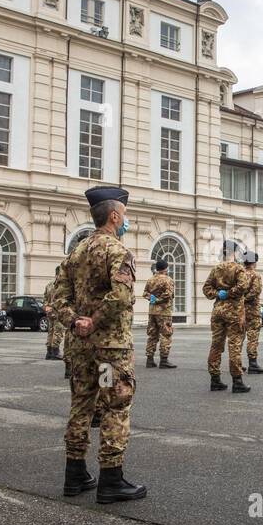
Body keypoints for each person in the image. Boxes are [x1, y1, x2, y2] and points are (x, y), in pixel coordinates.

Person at [48, 186, 146, 502]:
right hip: (110, 348)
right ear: (115, 216)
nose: (126, 221)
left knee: (81, 405)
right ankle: (111, 479)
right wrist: (95, 320)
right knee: (115, 405)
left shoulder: (75, 253)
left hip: (80, 347)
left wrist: (75, 321)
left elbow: (57, 297)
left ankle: (74, 474)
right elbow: (121, 296)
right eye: (125, 215)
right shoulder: (119, 252)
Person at [203, 241, 254, 393]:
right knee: (235, 345)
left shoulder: (216, 269)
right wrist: (231, 293)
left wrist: (218, 294)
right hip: (234, 312)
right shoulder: (238, 269)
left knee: (216, 345)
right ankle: (237, 381)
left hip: (218, 310)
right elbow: (243, 287)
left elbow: (206, 288)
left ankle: (215, 379)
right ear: (235, 252)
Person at [143, 259, 177, 369]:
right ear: (166, 268)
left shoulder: (150, 280)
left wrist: (152, 298)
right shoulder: (168, 280)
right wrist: (158, 300)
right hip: (164, 311)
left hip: (152, 311)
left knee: (152, 335)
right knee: (166, 335)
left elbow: (145, 293)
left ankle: (150, 360)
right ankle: (164, 360)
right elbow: (169, 294)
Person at [241, 250, 263, 374]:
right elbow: (256, 291)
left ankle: (237, 363)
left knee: (239, 337)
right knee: (252, 337)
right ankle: (253, 364)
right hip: (252, 311)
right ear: (254, 262)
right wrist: (245, 300)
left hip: (239, 311)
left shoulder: (239, 274)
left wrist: (240, 301)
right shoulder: (255, 275)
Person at [43, 266, 64, 361]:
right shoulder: (61, 285)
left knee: (50, 331)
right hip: (58, 311)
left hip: (49, 311)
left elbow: (45, 299)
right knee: (58, 332)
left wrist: (46, 307)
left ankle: (49, 352)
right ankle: (55, 352)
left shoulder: (49, 285)